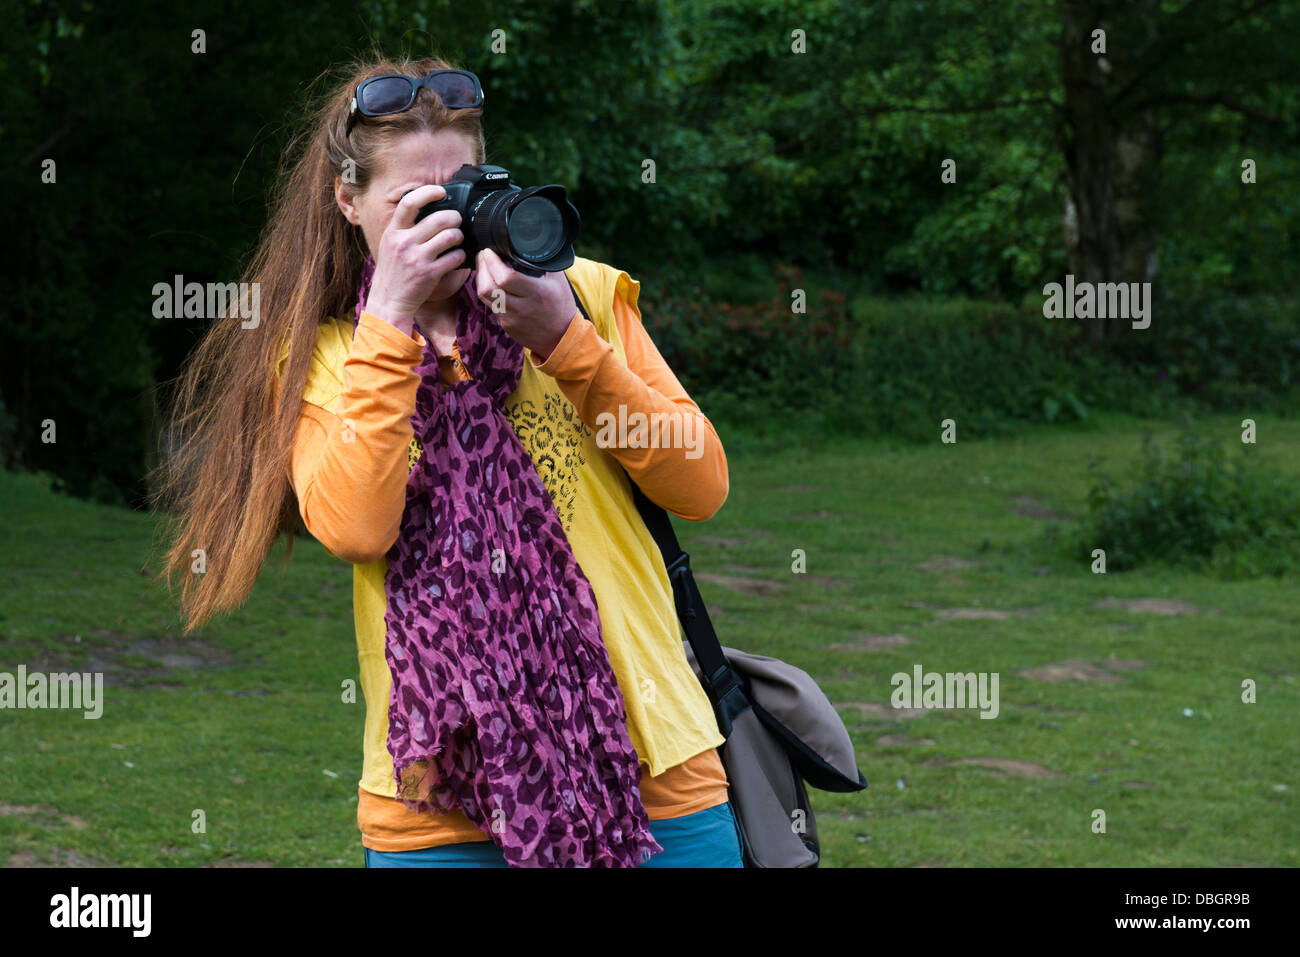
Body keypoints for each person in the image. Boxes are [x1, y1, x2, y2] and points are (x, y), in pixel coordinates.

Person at [155, 54, 742, 868]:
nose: (445, 223)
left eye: (462, 193)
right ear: (347, 201)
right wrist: (390, 321)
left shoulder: (584, 295)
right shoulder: (319, 358)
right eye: (411, 205)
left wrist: (566, 343)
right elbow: (359, 527)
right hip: (437, 806)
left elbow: (700, 482)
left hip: (657, 775)